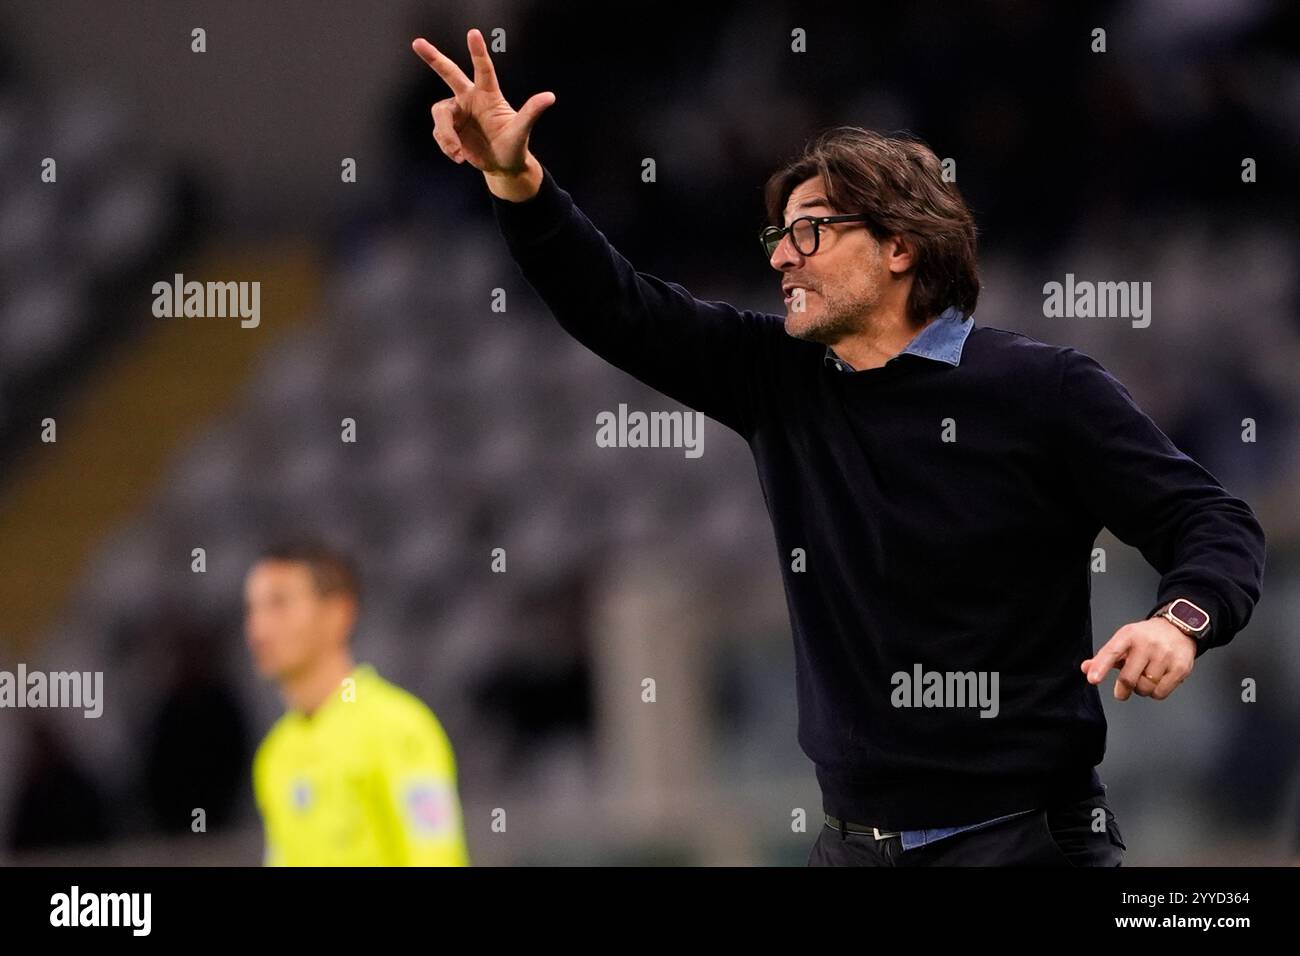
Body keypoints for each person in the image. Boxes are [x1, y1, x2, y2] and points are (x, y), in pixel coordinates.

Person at [410, 30, 1267, 866]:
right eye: (779, 234)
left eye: (812, 231)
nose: (784, 255)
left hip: (1025, 841)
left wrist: (1180, 621)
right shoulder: (776, 378)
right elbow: (617, 306)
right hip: (850, 845)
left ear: (900, 245)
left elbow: (1211, 521)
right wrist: (515, 178)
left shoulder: (1044, 389)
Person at [246, 541, 468, 866]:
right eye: (251, 609)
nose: (259, 627)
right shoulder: (275, 754)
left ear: (338, 613)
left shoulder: (398, 727)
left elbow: (437, 858)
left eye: (279, 604)